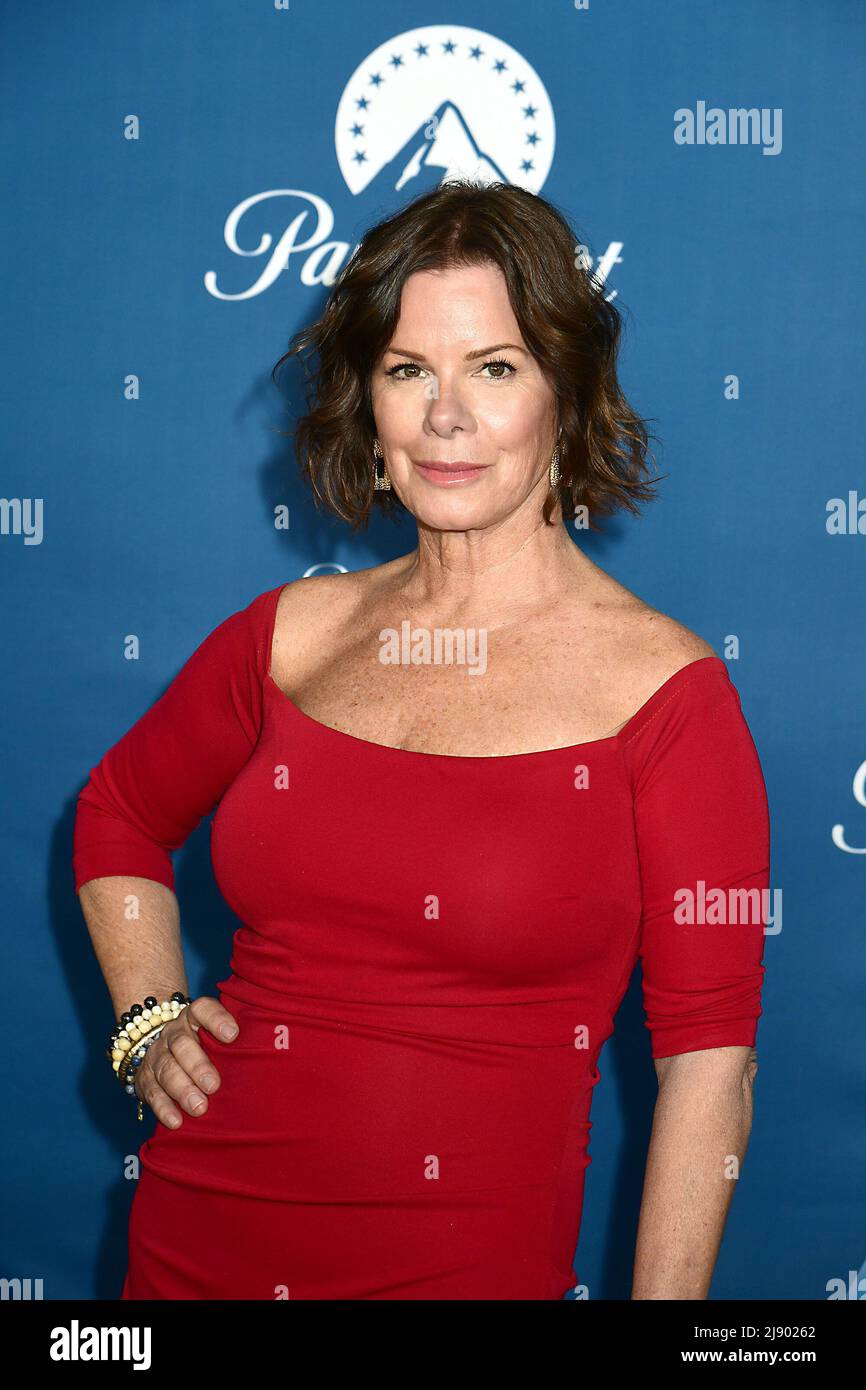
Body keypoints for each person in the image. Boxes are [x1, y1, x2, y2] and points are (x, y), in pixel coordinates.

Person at [73, 180, 769, 1300]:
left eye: (493, 367)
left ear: (565, 388)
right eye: (408, 370)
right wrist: (149, 1018)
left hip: (463, 1267)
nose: (445, 416)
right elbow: (117, 814)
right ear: (369, 396)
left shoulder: (667, 696)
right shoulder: (288, 637)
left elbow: (707, 1068)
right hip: (196, 1245)